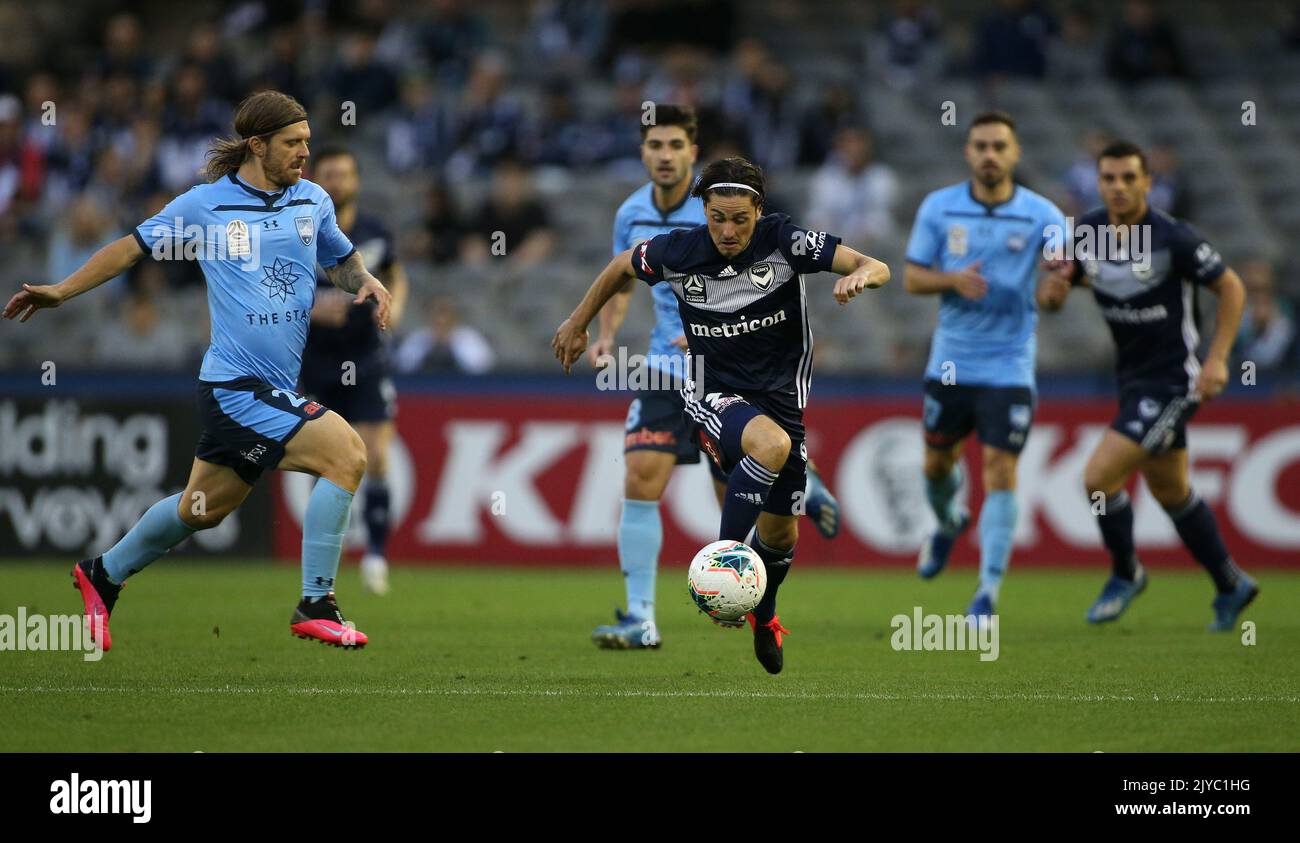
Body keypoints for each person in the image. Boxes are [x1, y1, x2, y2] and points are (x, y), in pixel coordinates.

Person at [2, 91, 392, 651]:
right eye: (293, 143)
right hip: (236, 386)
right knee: (348, 455)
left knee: (201, 509)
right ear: (257, 146)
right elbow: (130, 249)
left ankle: (102, 574)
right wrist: (62, 291)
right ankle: (316, 602)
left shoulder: (312, 200)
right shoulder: (205, 206)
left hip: (272, 387)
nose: (304, 153)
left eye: (307, 142)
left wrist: (367, 282)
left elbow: (341, 260)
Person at [554, 156, 890, 673]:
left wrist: (861, 275)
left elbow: (877, 265)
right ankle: (722, 565)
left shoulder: (786, 242)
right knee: (769, 446)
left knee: (782, 535)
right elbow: (622, 264)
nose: (728, 230)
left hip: (782, 401)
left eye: (739, 218)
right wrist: (579, 323)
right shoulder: (680, 251)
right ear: (703, 210)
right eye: (717, 217)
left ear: (759, 208)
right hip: (712, 389)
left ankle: (765, 614)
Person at [586, 105, 842, 653]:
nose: (664, 155)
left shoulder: (738, 214)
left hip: (731, 369)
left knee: (751, 491)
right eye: (655, 145)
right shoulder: (632, 213)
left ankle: (794, 490)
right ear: (643, 152)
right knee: (641, 476)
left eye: (675, 145)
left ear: (692, 154)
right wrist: (605, 333)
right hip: (664, 365)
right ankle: (642, 617)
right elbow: (623, 277)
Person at [1040, 139, 1258, 631]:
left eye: (1128, 178)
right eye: (1108, 179)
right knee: (1172, 489)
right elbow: (1063, 286)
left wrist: (1219, 359)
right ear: (1099, 183)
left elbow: (1231, 286)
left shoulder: (1173, 238)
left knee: (1097, 480)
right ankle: (1230, 583)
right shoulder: (1087, 232)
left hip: (1174, 381)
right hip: (1132, 379)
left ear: (1147, 183)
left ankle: (1125, 572)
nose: (1118, 187)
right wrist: (1053, 292)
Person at [904, 110, 1069, 623]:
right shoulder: (940, 207)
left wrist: (1055, 289)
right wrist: (951, 281)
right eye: (981, 145)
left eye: (1000, 145)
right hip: (951, 363)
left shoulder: (1044, 215)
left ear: (1015, 153)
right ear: (968, 152)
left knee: (1001, 471)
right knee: (935, 466)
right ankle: (947, 522)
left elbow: (1057, 288)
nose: (990, 154)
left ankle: (986, 593)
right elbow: (910, 278)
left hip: (1009, 366)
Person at [299, 147, 409, 596]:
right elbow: (271, 287)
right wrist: (310, 311)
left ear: (357, 180)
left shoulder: (374, 232)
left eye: (345, 174)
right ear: (316, 181)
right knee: (323, 464)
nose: (338, 182)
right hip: (317, 360)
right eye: (330, 174)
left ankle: (378, 555)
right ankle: (323, 566)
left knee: (378, 456)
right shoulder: (299, 232)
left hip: (367, 357)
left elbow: (397, 274)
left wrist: (395, 307)